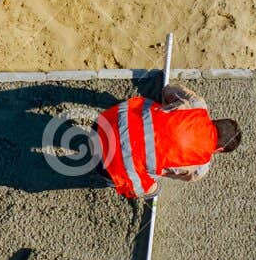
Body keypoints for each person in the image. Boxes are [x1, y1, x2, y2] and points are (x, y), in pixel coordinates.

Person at [94, 83, 242, 200]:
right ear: (219, 150)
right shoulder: (200, 168)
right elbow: (168, 172)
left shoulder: (197, 105)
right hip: (105, 165)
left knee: (149, 107)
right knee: (154, 186)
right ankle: (112, 180)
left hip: (106, 122)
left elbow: (169, 90)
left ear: (215, 120)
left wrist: (167, 113)